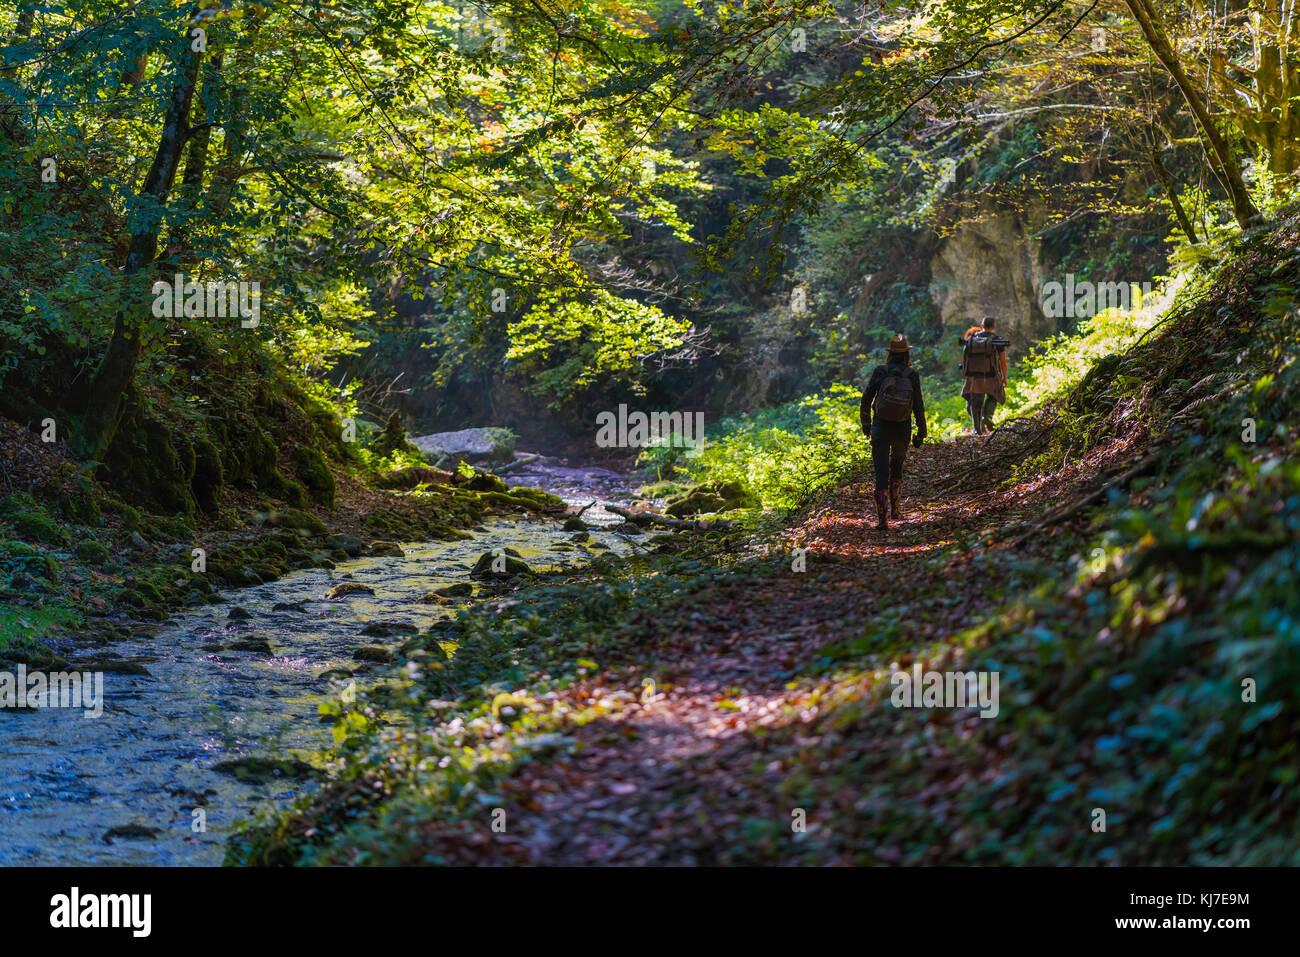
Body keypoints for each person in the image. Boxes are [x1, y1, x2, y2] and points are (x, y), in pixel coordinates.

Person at [859, 333, 926, 530]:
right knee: (896, 466)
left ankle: (882, 520)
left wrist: (866, 424)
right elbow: (918, 407)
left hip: (880, 426)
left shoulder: (880, 371)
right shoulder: (912, 375)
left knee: (881, 471)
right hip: (902, 427)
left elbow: (866, 399)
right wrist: (921, 432)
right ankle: (896, 510)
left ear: (890, 354)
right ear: (906, 354)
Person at [959, 316, 1008, 434]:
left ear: (982, 326)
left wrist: (967, 374)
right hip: (991, 375)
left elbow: (966, 358)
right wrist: (1004, 377)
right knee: (994, 396)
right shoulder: (997, 340)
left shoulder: (971, 339)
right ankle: (987, 417)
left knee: (975, 402)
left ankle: (977, 430)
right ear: (994, 326)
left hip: (975, 377)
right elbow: (1003, 361)